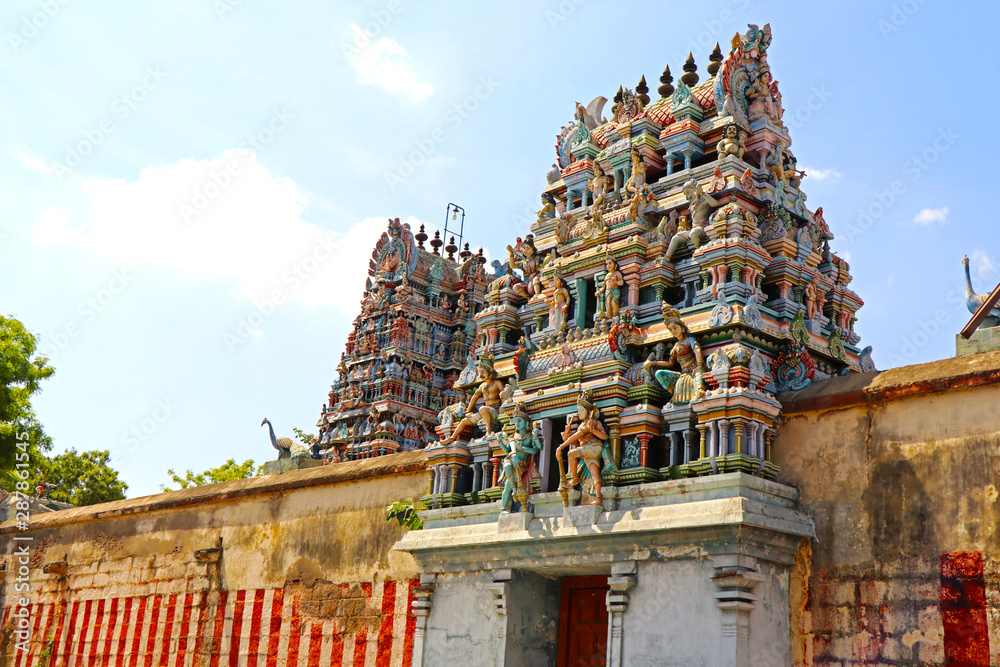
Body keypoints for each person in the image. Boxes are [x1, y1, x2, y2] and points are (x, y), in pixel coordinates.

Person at [644, 304, 706, 404]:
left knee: (698, 373)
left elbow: (697, 349)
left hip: (694, 369)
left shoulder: (688, 340)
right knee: (659, 374)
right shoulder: (675, 347)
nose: (673, 331)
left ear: (682, 328)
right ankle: (674, 394)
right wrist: (653, 363)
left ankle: (700, 390)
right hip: (683, 374)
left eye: (675, 328)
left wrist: (699, 365)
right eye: (670, 330)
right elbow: (670, 364)